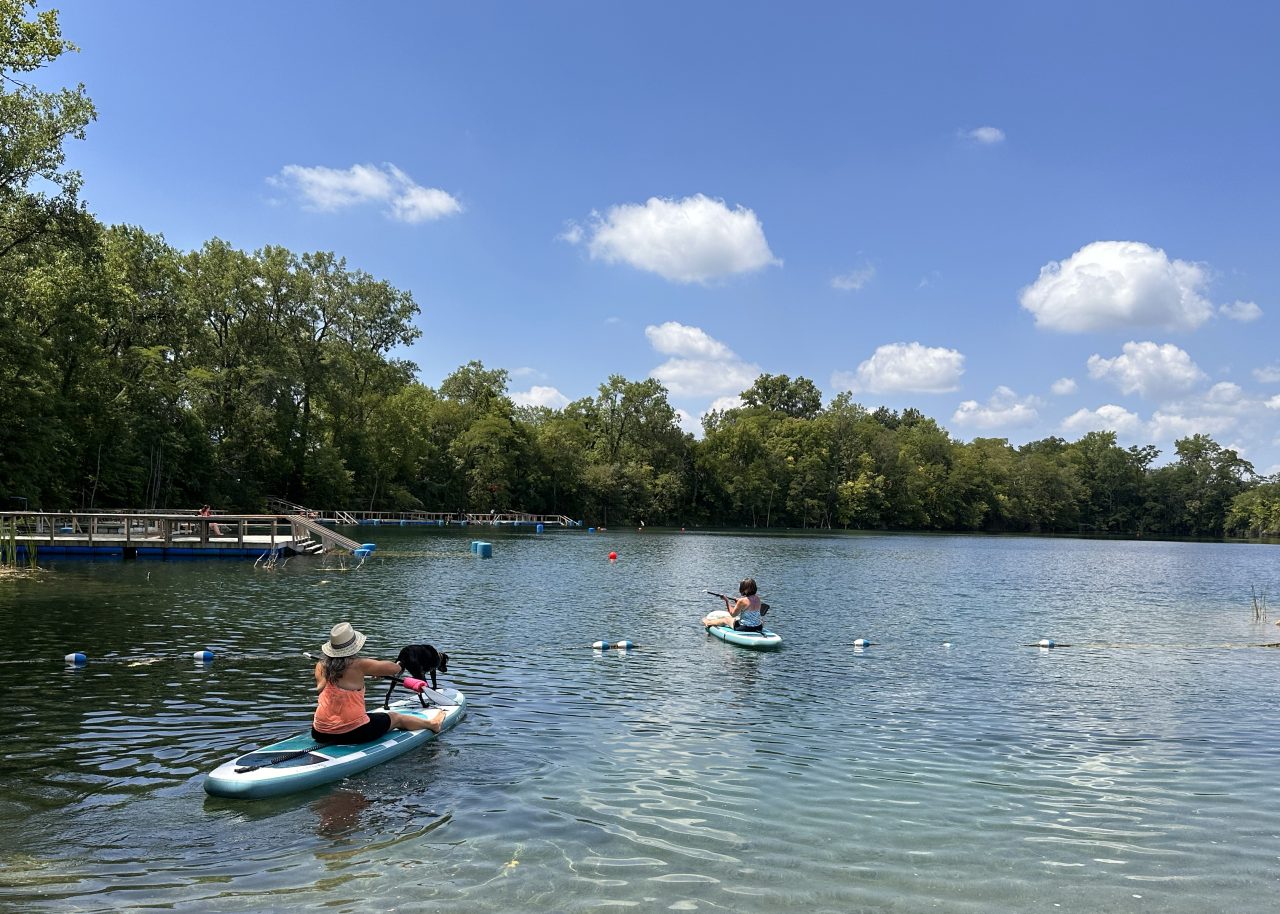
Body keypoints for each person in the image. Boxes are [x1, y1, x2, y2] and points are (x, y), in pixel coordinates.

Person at [312, 622, 445, 744]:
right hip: (354, 732)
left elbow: (322, 688)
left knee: (364, 716)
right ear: (353, 647)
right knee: (396, 717)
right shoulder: (360, 665)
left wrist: (368, 673)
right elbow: (395, 668)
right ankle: (433, 725)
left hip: (319, 732)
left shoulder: (320, 665)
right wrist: (388, 667)